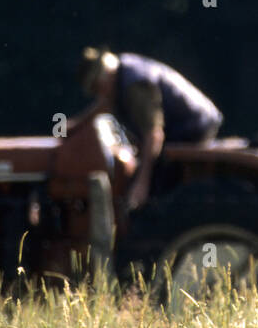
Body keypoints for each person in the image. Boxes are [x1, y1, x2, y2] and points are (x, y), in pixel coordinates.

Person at [75, 47, 223, 210]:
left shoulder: (135, 86)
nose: (99, 94)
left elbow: (153, 135)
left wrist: (141, 185)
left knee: (155, 185)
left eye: (96, 88)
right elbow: (105, 104)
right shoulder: (123, 69)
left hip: (192, 128)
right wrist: (77, 124)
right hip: (190, 125)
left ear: (103, 78)